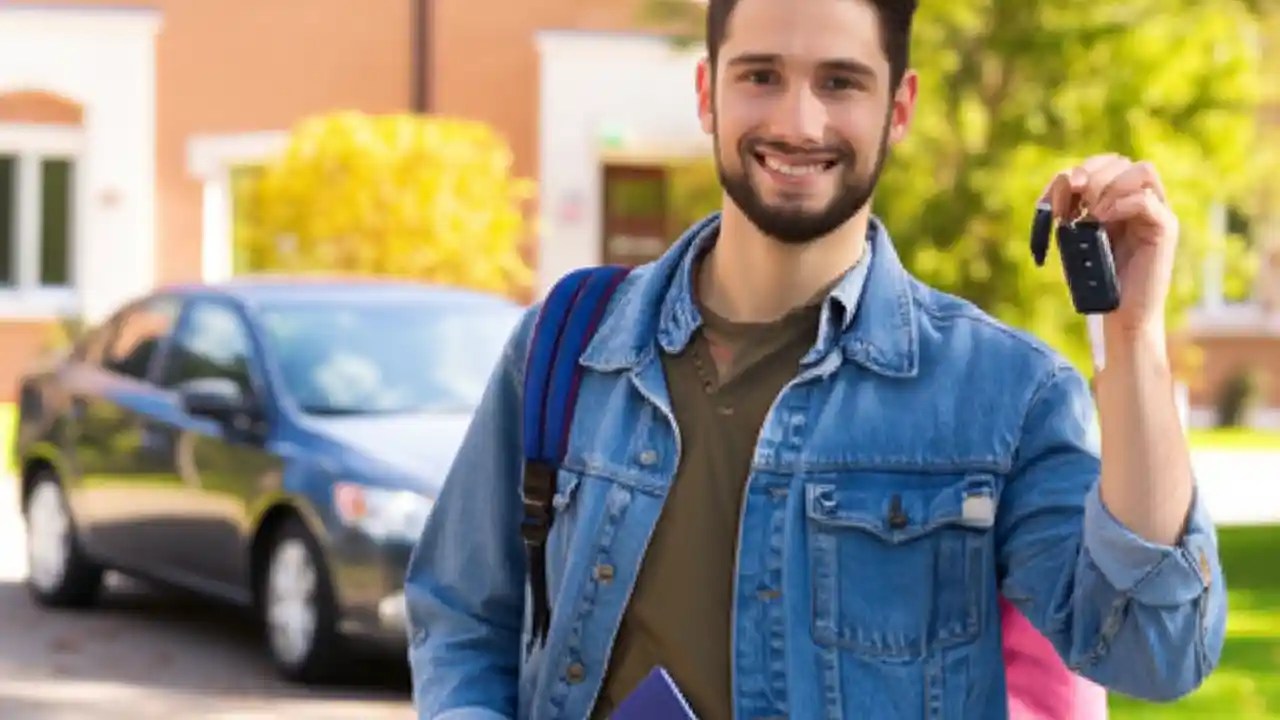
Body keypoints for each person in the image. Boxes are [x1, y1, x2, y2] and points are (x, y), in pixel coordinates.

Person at [403, 0, 1228, 717]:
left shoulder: (1002, 397)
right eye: (761, 74)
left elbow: (1154, 650)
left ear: (898, 107)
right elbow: (461, 614)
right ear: (707, 93)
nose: (798, 123)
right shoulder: (568, 348)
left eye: (840, 82)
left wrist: (1132, 338)